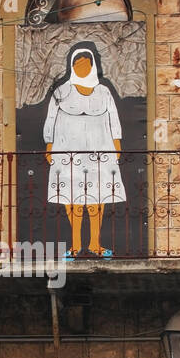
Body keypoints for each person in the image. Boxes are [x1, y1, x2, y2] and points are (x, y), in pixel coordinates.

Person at [43, 42, 125, 258]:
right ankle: (76, 245)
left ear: (92, 66)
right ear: (72, 66)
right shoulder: (61, 92)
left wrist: (117, 145)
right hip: (68, 152)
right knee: (73, 200)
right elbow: (50, 119)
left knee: (97, 200)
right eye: (78, 64)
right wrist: (49, 144)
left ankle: (96, 244)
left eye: (86, 64)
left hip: (100, 151)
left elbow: (114, 118)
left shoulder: (104, 92)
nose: (82, 68)